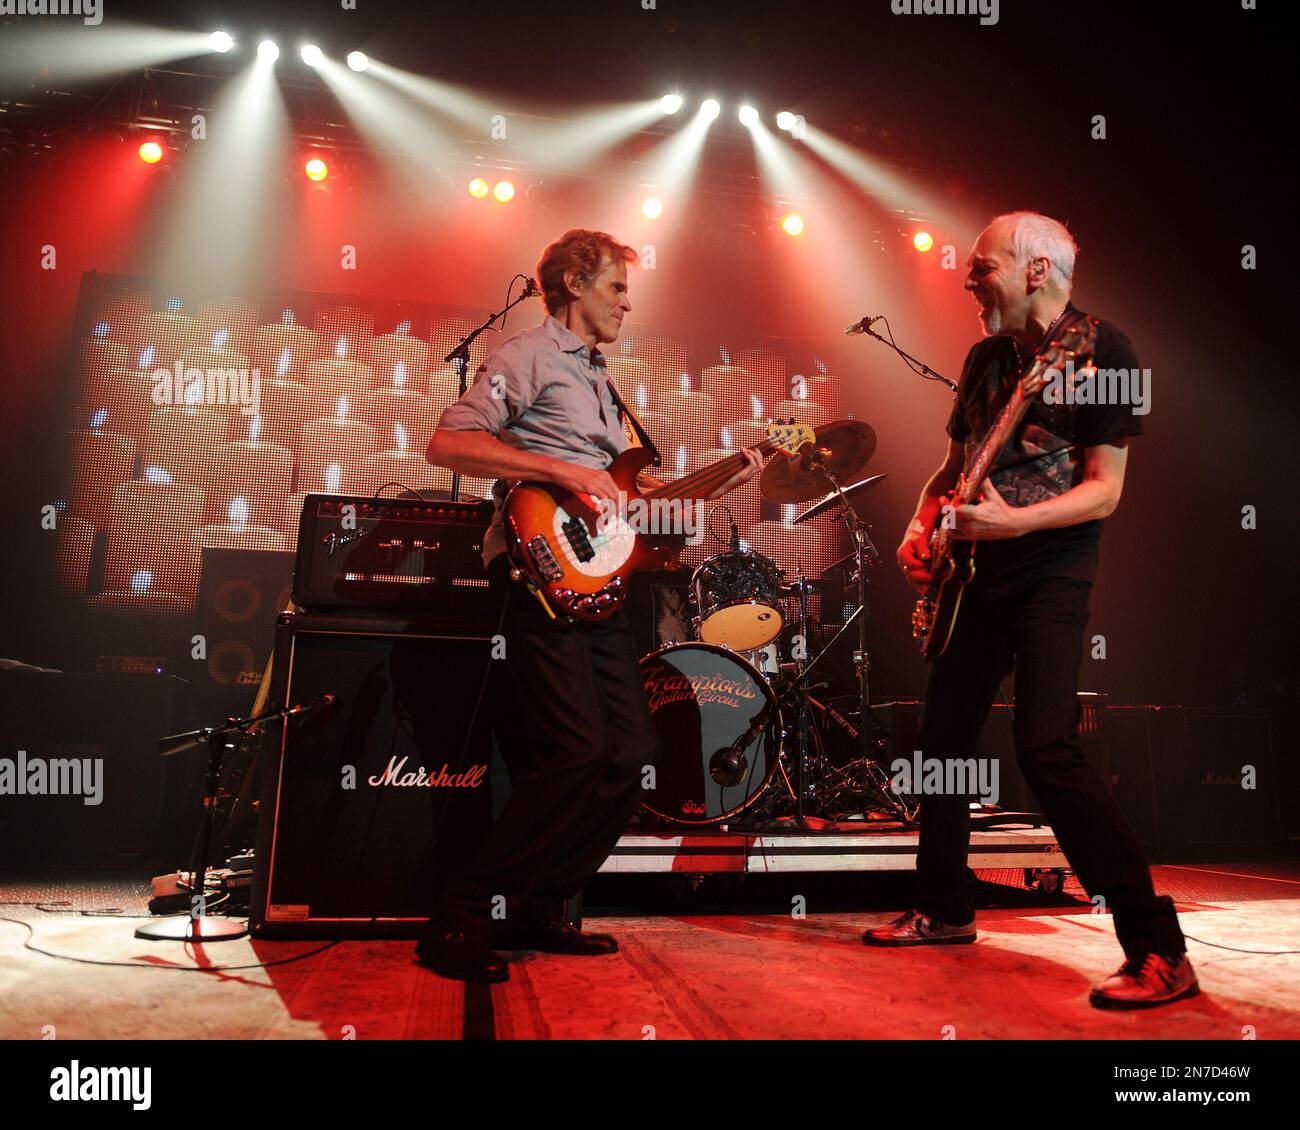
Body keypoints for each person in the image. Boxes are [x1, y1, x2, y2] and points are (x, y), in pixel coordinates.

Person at [864, 211, 1197, 1010]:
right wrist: (922, 522)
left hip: (1050, 571)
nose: (967, 277)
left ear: (1036, 271)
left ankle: (1158, 947)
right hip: (971, 573)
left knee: (1046, 746)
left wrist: (1013, 523)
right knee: (941, 741)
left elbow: (1104, 490)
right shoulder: (985, 359)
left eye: (982, 267)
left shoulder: (1106, 351)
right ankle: (945, 911)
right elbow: (952, 467)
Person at [420, 229, 760, 982]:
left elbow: (618, 495)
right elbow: (447, 443)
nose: (627, 303)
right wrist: (557, 470)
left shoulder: (604, 380)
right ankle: (463, 913)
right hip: (537, 574)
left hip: (598, 583)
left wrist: (693, 492)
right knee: (574, 750)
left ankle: (544, 905)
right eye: (615, 288)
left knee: (632, 754)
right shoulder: (527, 355)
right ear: (573, 282)